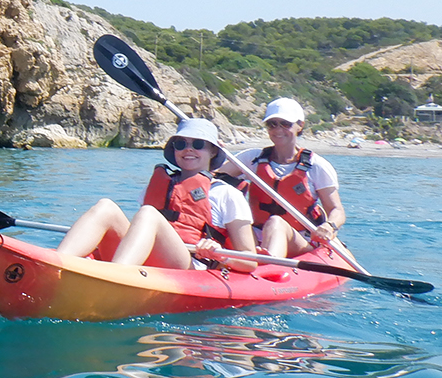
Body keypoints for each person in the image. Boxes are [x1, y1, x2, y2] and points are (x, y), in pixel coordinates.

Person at [57, 118, 255, 271]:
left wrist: (219, 255)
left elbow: (250, 260)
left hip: (189, 262)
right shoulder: (160, 185)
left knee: (148, 214)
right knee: (105, 206)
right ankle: (57, 262)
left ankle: (117, 276)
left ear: (212, 151)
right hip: (147, 257)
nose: (188, 149)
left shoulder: (227, 194)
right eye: (181, 144)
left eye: (198, 144)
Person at [218, 98, 345, 259]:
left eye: (285, 124)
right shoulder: (251, 158)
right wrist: (212, 152)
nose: (278, 129)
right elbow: (214, 177)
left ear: (300, 125)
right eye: (272, 124)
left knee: (276, 223)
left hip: (299, 238)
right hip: (256, 233)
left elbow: (337, 210)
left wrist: (329, 225)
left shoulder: (317, 166)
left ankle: (266, 263)